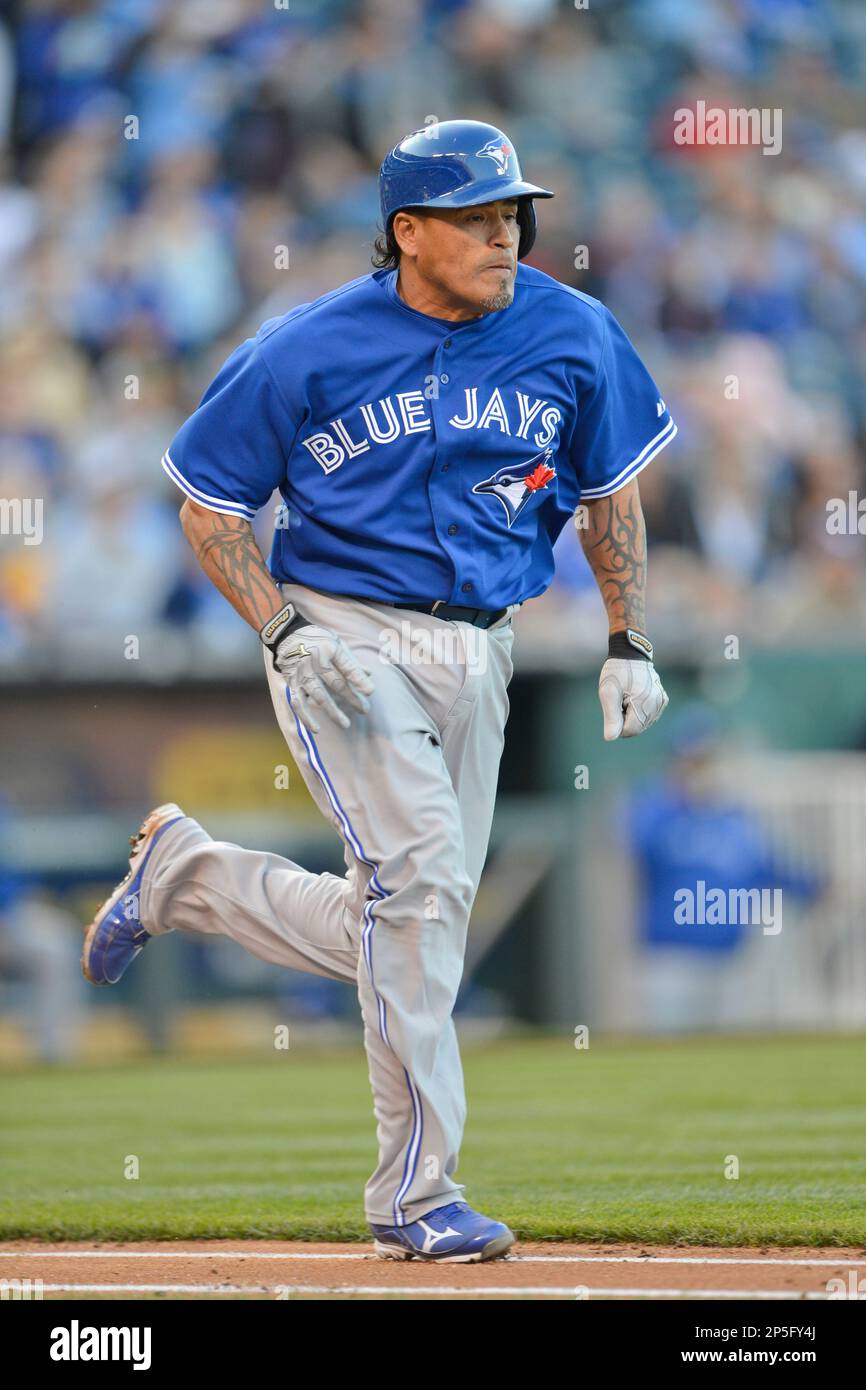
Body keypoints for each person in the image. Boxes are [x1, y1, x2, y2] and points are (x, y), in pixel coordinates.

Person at [81, 120, 674, 1263]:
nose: (505, 233)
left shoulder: (572, 330)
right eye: (476, 216)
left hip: (485, 641)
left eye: (513, 213)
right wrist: (284, 628)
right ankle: (414, 1195)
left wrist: (627, 639)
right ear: (408, 232)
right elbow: (209, 508)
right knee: (417, 887)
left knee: (416, 917)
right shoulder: (304, 347)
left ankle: (187, 878)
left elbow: (608, 492)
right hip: (343, 634)